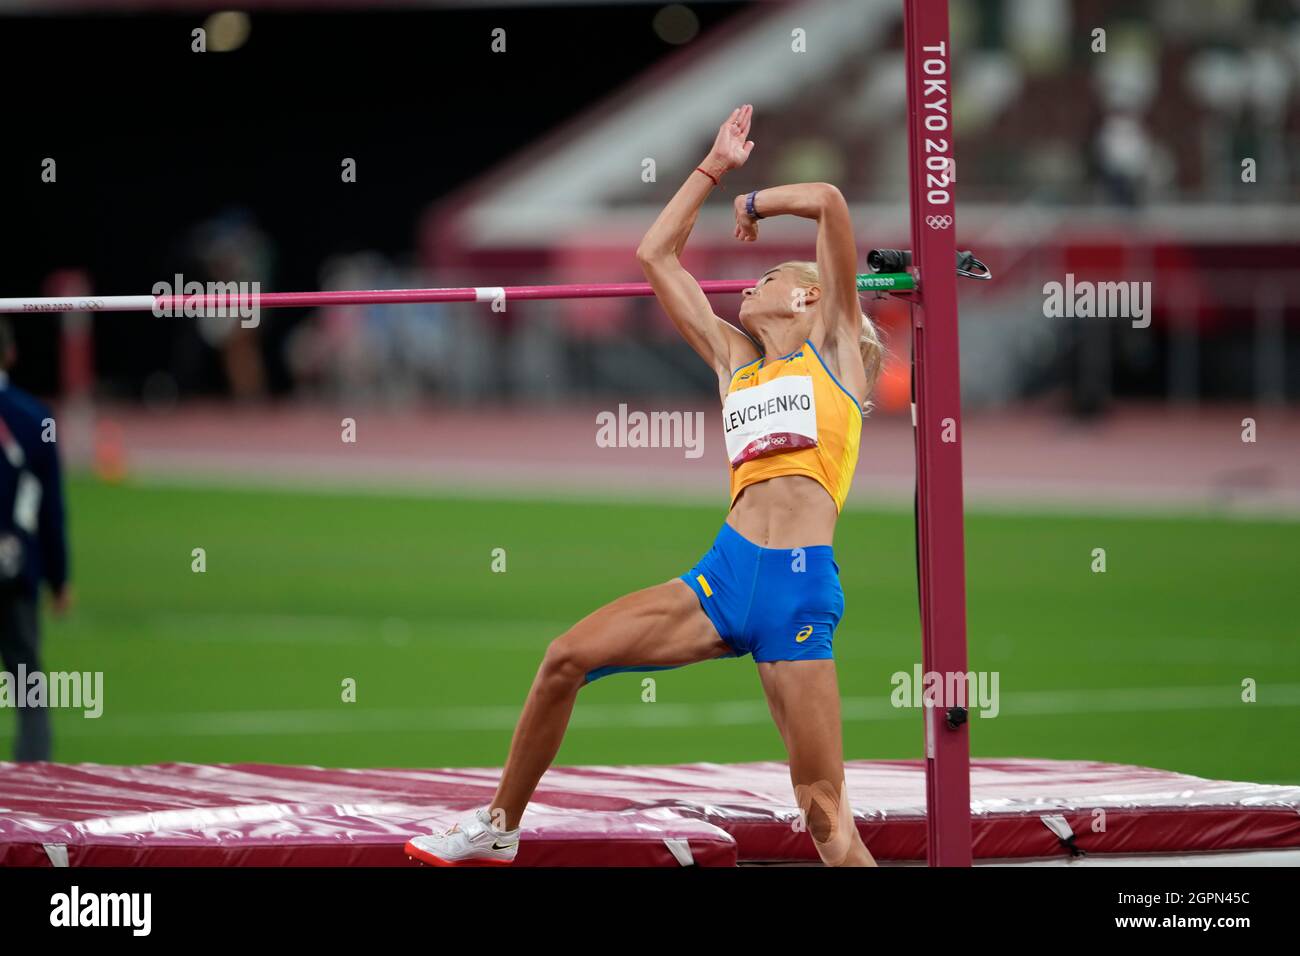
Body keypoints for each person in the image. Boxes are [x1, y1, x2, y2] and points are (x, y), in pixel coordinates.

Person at [405, 105, 884, 866]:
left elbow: (828, 200)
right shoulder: (736, 361)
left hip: (796, 588)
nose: (745, 289)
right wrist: (713, 169)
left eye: (762, 279)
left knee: (826, 821)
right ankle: (498, 825)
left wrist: (756, 204)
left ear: (804, 297)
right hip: (723, 576)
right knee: (565, 656)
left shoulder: (833, 352)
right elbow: (656, 255)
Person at [0, 318, 71, 761]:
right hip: (15, 570)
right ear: (10, 355)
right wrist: (59, 578)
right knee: (27, 681)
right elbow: (52, 512)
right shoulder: (35, 418)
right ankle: (35, 782)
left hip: (16, 570)